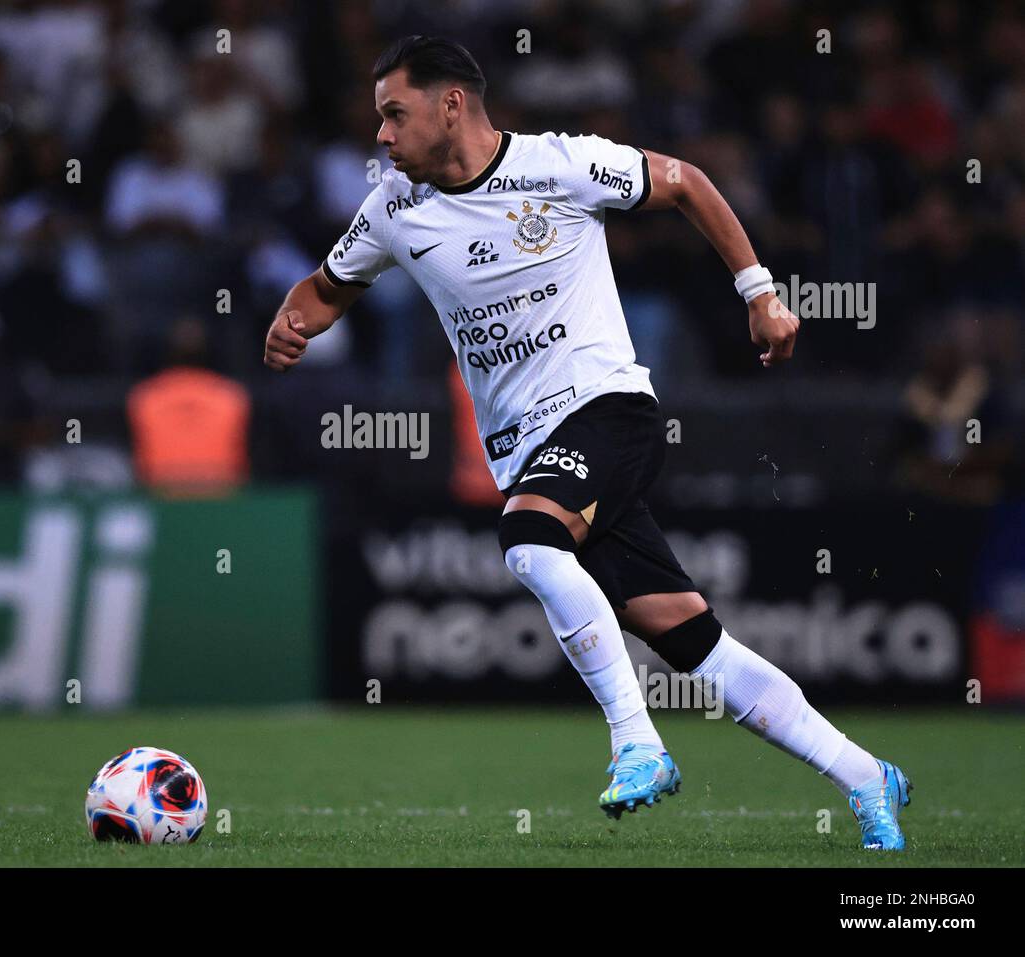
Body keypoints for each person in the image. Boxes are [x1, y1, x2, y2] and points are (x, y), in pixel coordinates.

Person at [264, 36, 912, 850]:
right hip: (529, 452)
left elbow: (686, 182)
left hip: (610, 411)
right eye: (379, 120)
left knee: (529, 541)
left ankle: (637, 741)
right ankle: (865, 774)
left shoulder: (561, 165)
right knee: (694, 643)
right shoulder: (393, 210)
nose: (383, 137)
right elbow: (324, 290)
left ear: (451, 103)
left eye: (395, 114)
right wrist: (291, 324)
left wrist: (761, 294)